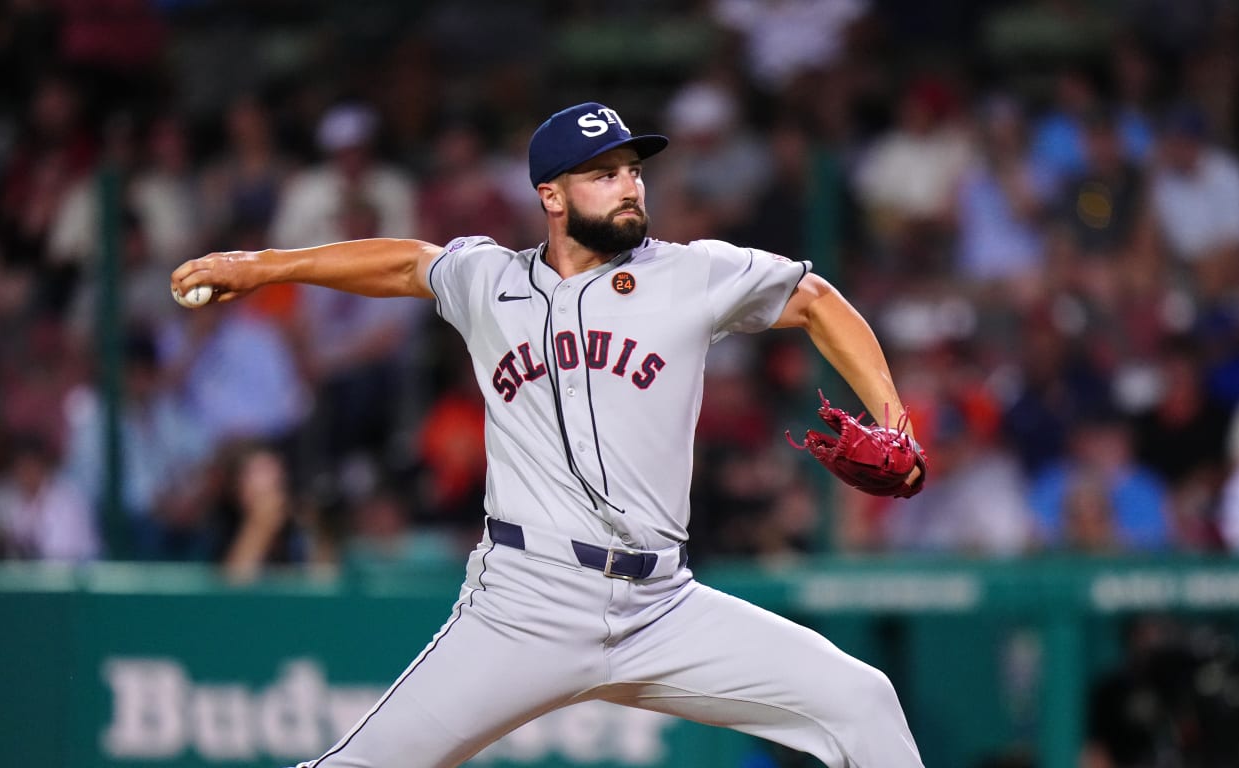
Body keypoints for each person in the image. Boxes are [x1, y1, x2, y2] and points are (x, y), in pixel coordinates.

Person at [171, 102, 926, 768]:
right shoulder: (489, 280)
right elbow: (406, 264)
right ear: (551, 195)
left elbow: (816, 299)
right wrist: (264, 265)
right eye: (602, 173)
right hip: (527, 602)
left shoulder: (690, 274)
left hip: (662, 604)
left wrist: (893, 419)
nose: (629, 184)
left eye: (633, 169)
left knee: (862, 701)